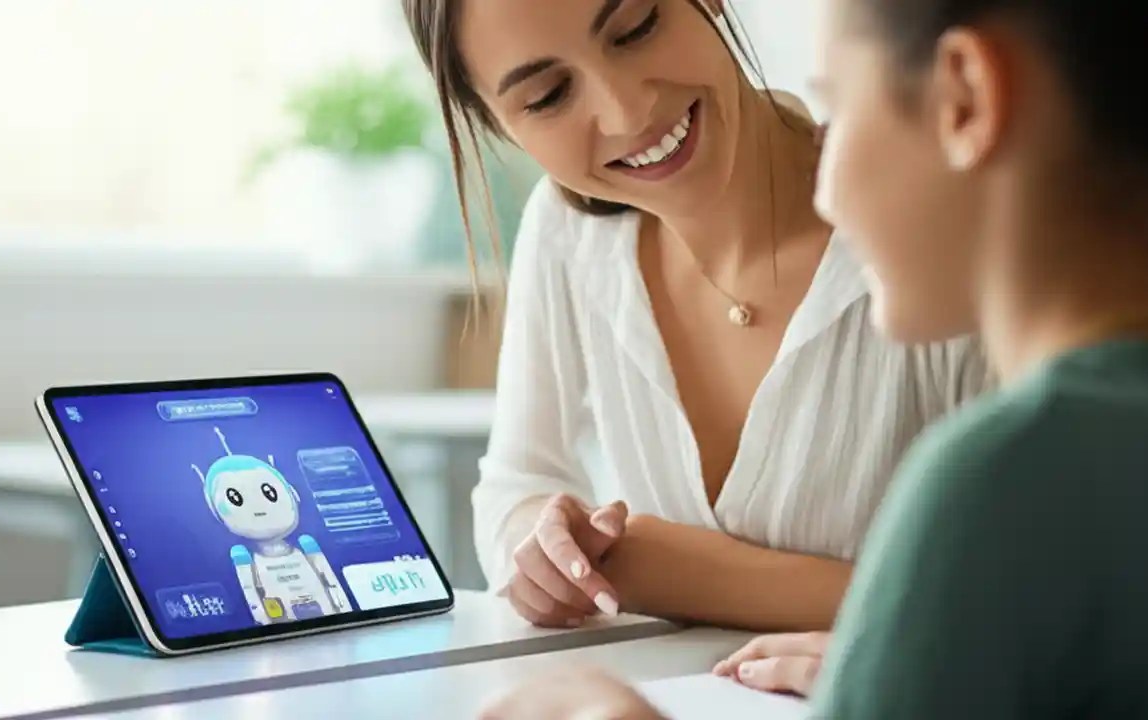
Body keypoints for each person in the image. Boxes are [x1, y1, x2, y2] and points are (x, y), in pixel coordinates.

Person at [478, 0, 1148, 715]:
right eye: (546, 95)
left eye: (837, 111)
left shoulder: (992, 474)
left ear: (966, 98)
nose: (826, 190)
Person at [402, 0, 989, 634]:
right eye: (548, 97)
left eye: (637, 29)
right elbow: (517, 482)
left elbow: (1032, 597)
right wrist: (549, 550)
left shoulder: (933, 209)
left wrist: (691, 575)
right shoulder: (568, 231)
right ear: (500, 126)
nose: (627, 111)